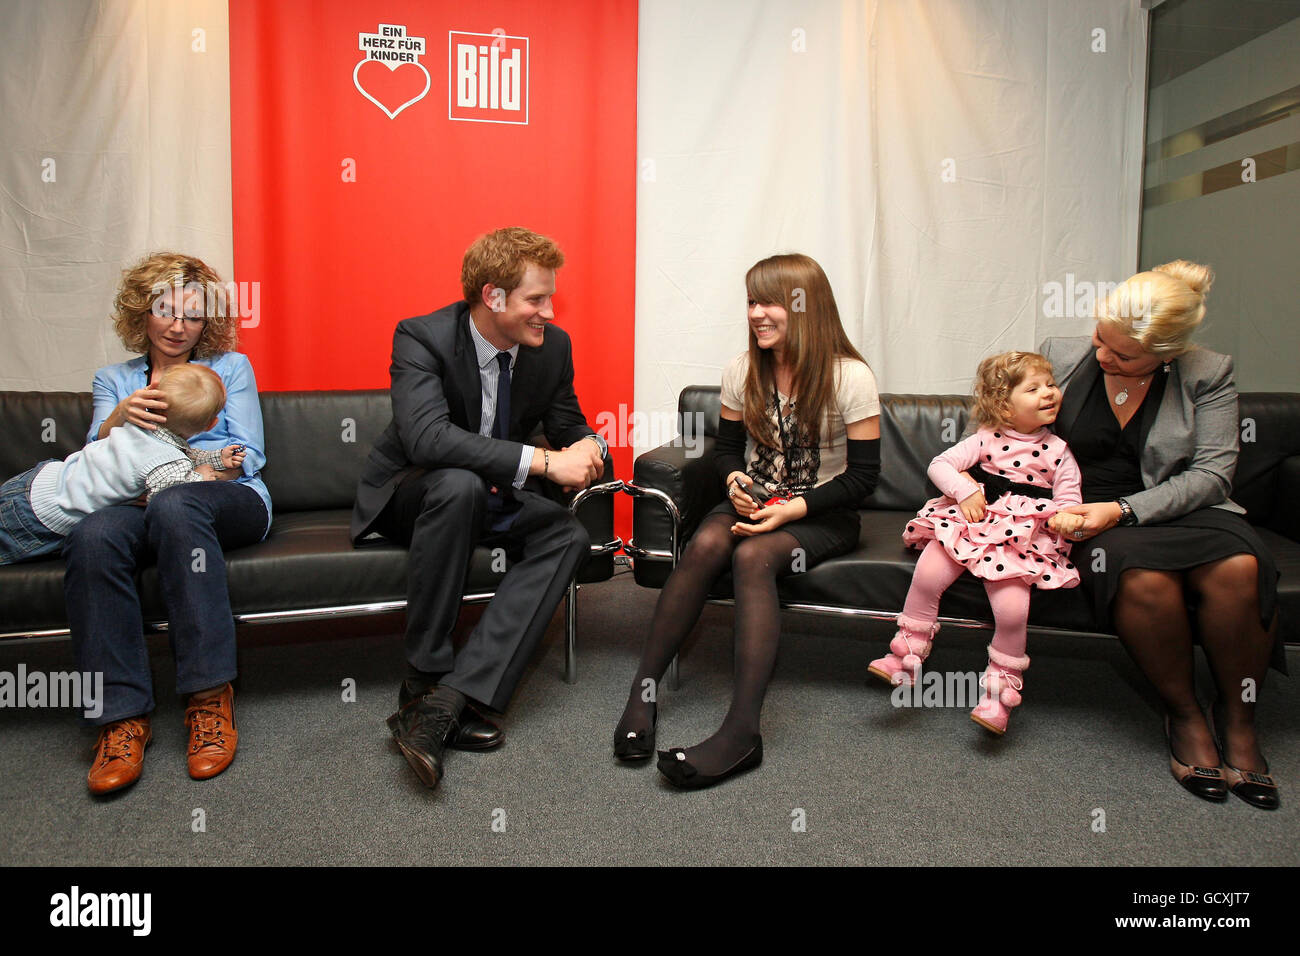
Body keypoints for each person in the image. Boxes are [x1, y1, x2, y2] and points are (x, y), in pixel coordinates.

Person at [612, 253, 881, 789]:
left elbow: (863, 478)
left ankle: (741, 733)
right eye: (752, 301)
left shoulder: (850, 377)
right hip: (757, 498)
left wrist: (794, 508)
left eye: (769, 301)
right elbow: (727, 451)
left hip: (822, 510)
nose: (757, 312)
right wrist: (735, 483)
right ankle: (642, 695)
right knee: (707, 544)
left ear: (805, 308)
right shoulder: (742, 369)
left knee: (754, 556)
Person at [352, 226, 606, 791]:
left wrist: (591, 444)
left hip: (490, 491)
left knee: (566, 536)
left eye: (550, 297)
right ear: (492, 296)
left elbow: (566, 421)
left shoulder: (552, 346)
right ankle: (423, 677)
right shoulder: (423, 337)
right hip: (413, 493)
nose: (549, 310)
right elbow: (428, 441)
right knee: (458, 483)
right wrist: (544, 463)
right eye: (536, 299)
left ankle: (445, 700)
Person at [1042, 259, 1282, 809]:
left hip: (1183, 510)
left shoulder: (1207, 371)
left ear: (1169, 353)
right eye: (1102, 339)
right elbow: (1013, 431)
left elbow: (1212, 474)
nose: (1103, 356)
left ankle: (1240, 722)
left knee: (1239, 568)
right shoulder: (1062, 353)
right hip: (1089, 512)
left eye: (1123, 354)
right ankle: (1186, 714)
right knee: (1144, 580)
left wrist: (1123, 510)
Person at [64, 252, 271, 796]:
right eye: (166, 310)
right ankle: (120, 718)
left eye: (194, 315)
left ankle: (208, 699)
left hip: (228, 496)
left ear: (209, 322)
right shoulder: (115, 379)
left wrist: (195, 471)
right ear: (143, 312)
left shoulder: (230, 368)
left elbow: (248, 453)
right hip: (140, 501)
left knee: (177, 503)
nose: (180, 326)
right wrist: (117, 417)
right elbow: (94, 458)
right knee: (93, 534)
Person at [867, 351, 1084, 733]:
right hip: (968, 523)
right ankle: (905, 655)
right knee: (928, 574)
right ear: (1003, 402)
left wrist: (1066, 516)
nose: (1049, 393)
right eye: (1033, 388)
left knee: (1013, 610)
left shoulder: (1060, 453)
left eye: (1050, 384)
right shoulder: (985, 438)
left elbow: (1070, 500)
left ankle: (1000, 694)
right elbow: (939, 465)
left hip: (1017, 540)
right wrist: (964, 489)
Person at [1, 364, 243, 565]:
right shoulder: (166, 460)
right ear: (211, 424)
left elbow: (179, 454)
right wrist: (203, 476)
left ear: (153, 392)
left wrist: (215, 458)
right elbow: (170, 490)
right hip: (39, 516)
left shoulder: (140, 424)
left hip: (38, 482)